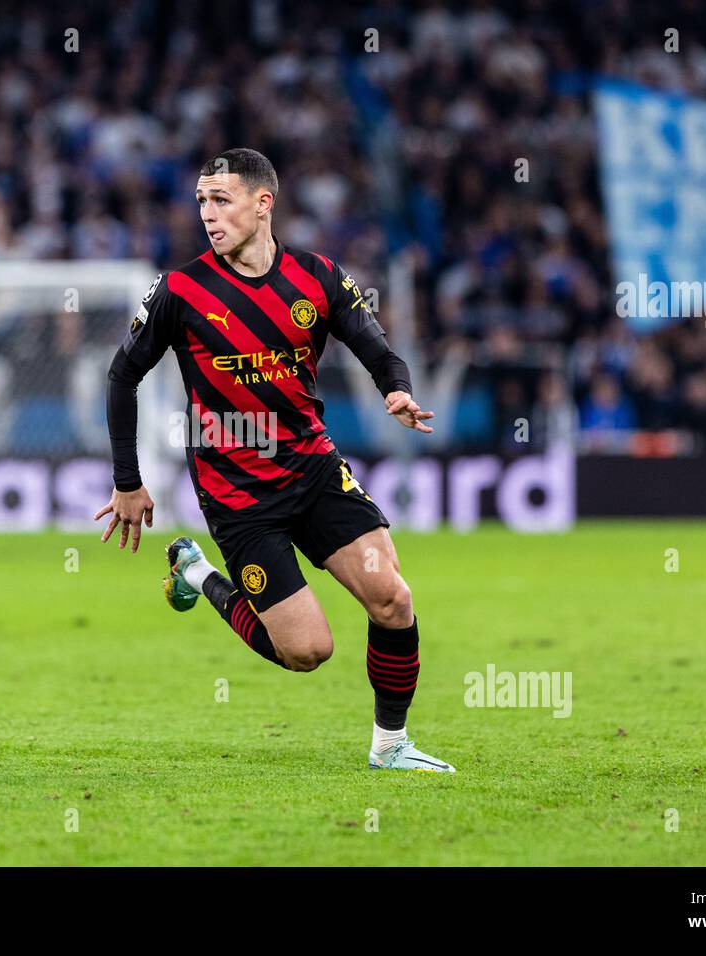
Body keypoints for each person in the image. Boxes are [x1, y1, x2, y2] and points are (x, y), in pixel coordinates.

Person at [96, 148, 454, 771]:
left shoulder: (318, 278)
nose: (208, 214)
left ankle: (391, 746)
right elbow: (122, 376)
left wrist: (395, 388)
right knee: (307, 651)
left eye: (222, 199)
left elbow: (377, 349)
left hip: (314, 469)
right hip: (238, 493)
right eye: (202, 201)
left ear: (264, 203)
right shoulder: (180, 290)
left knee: (391, 598)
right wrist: (128, 481)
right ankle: (198, 574)